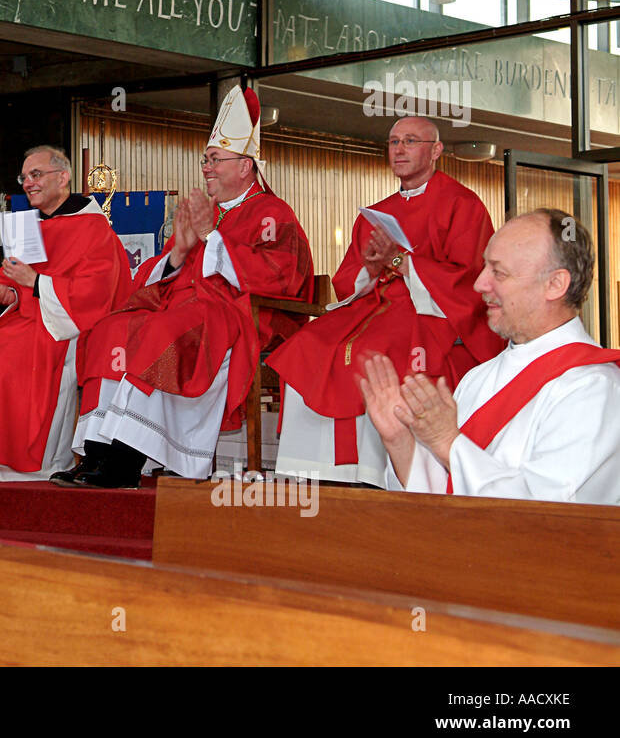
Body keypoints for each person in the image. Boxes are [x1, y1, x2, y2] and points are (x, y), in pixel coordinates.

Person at [58, 86, 314, 488]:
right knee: (111, 330)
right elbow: (168, 279)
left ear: (246, 166)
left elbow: (280, 276)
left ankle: (126, 461)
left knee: (162, 331)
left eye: (215, 160)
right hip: (188, 309)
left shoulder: (272, 213)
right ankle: (97, 451)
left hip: (242, 317)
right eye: (205, 160)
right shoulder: (207, 213)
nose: (206, 168)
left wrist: (213, 236)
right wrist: (178, 252)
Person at [270, 116, 503, 487]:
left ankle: (369, 472)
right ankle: (313, 469)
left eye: (410, 141)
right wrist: (371, 267)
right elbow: (348, 279)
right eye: (394, 142)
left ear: (436, 150)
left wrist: (403, 262)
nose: (399, 149)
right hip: (375, 304)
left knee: (369, 350)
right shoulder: (377, 214)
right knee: (307, 344)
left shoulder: (463, 205)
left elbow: (469, 280)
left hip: (428, 311)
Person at [359, 209, 620, 503]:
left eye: (499, 272)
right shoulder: (478, 377)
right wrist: (400, 442)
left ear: (555, 284)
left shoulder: (593, 387)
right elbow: (444, 497)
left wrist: (448, 442)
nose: (479, 284)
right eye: (485, 267)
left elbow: (547, 514)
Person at [0, 146, 132, 481]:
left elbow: (94, 294)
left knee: (10, 365)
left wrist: (36, 284)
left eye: (36, 175)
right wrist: (5, 294)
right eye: (24, 177)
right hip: (24, 320)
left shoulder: (94, 229)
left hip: (64, 327)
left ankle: (31, 469)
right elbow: (8, 277)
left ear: (63, 177)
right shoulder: (27, 227)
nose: (27, 183)